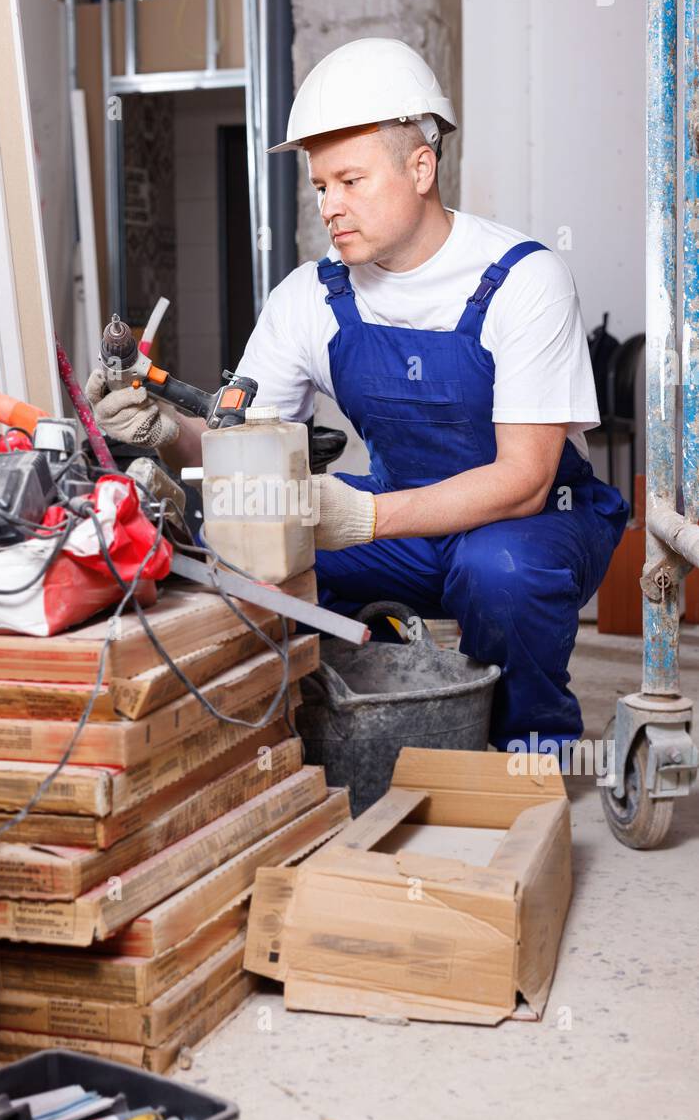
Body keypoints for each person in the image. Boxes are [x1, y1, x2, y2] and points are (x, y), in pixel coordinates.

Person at [86, 37, 629, 752]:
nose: (330, 207)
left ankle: (527, 747)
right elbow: (242, 451)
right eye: (320, 187)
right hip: (404, 524)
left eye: (351, 180)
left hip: (534, 524)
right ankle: (352, 704)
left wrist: (364, 514)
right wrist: (166, 431)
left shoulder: (521, 278)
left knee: (498, 572)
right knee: (243, 543)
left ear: (422, 167)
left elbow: (525, 481)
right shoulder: (311, 296)